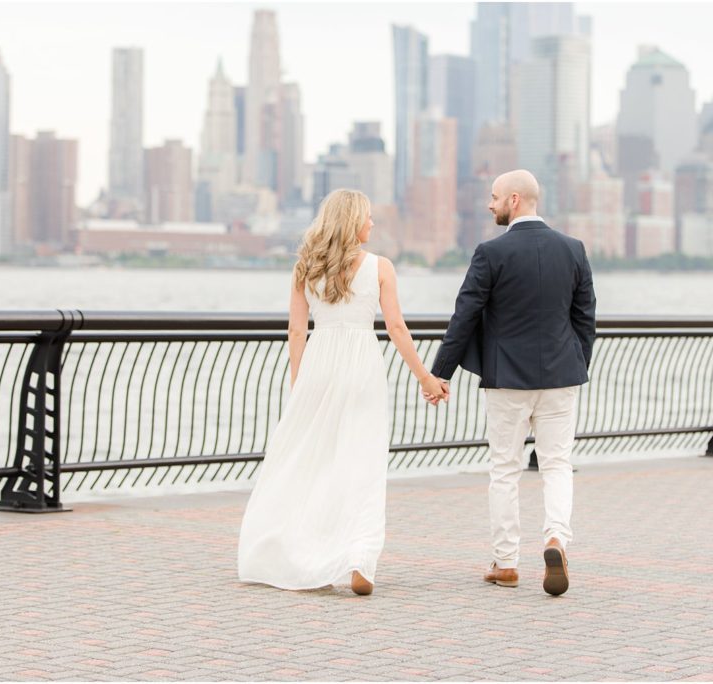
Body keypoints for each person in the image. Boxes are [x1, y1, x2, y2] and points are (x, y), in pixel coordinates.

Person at [237, 189, 449, 596]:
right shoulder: (380, 267)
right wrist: (425, 377)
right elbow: (397, 328)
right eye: (367, 217)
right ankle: (360, 558)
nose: (372, 223)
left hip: (318, 367)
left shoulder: (305, 267)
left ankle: (302, 549)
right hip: (361, 368)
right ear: (353, 221)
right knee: (363, 462)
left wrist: (299, 384)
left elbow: (296, 331)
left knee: (312, 461)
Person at [424, 169, 596, 596]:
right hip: (560, 377)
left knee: (504, 469)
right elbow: (585, 318)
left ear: (514, 200)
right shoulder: (573, 249)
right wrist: (574, 365)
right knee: (557, 464)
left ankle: (506, 563)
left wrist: (440, 373)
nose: (490, 204)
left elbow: (464, 315)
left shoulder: (490, 253)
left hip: (507, 380)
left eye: (495, 196)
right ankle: (555, 539)